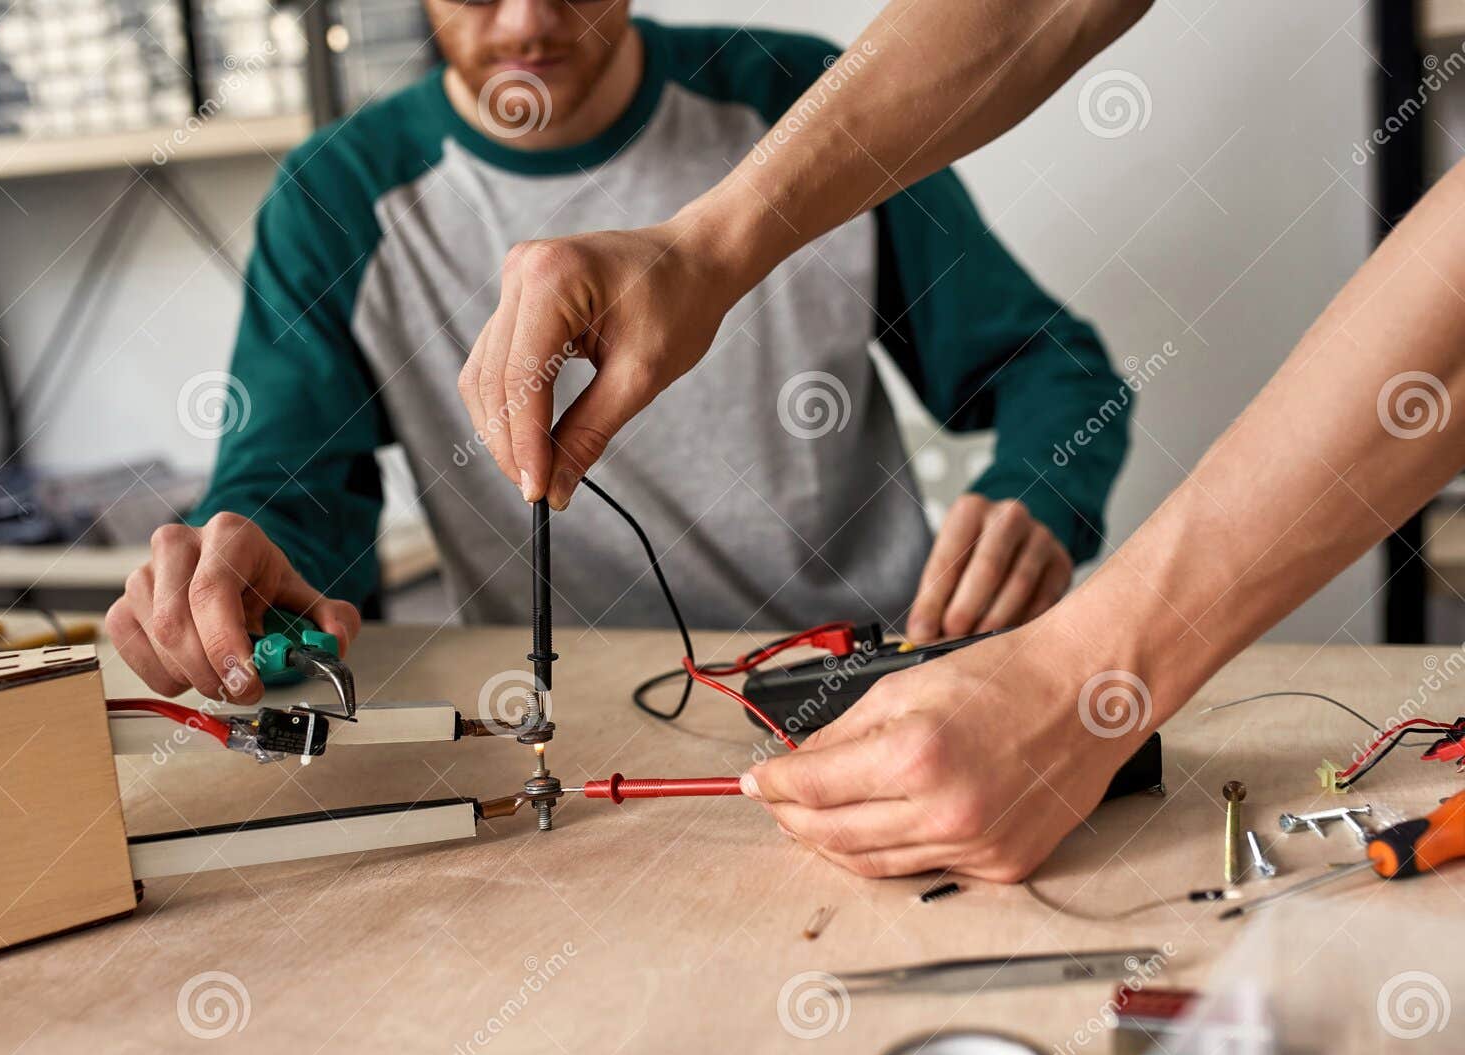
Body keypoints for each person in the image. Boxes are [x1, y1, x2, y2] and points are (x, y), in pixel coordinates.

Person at [461, 0, 1465, 882]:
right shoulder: (346, 197)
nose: (523, 22)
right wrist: (706, 249)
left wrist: (1082, 672)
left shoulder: (777, 89)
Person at [108, 0, 1133, 704]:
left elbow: (1050, 367)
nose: (526, 21)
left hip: (868, 677)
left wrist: (1039, 496)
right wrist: (242, 569)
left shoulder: (807, 107)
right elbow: (295, 499)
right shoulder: (334, 201)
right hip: (566, 707)